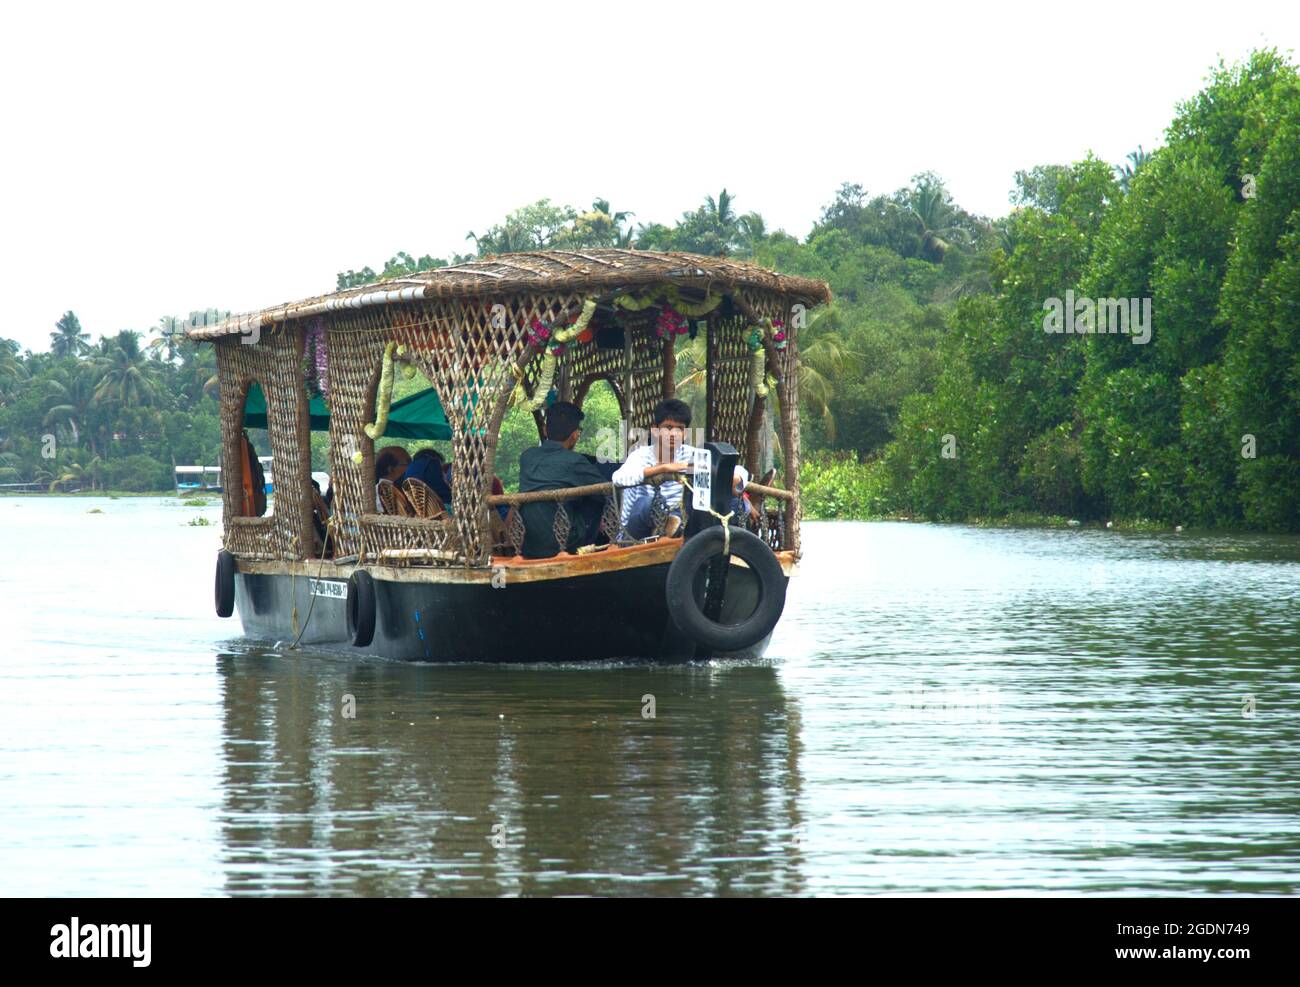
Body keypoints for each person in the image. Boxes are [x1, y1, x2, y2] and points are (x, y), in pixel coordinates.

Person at [612, 398, 749, 540]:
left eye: (680, 429)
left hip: (683, 523)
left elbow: (741, 472)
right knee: (646, 503)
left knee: (739, 504)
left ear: (685, 434)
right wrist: (664, 468)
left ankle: (727, 540)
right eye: (668, 427)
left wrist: (732, 477)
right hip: (636, 533)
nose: (673, 434)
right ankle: (667, 526)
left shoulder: (691, 454)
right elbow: (618, 478)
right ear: (655, 430)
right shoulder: (640, 455)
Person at [517, 401, 615, 558]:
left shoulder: (527, 457)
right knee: (598, 496)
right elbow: (608, 492)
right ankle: (595, 546)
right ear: (575, 434)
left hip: (529, 544)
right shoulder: (576, 462)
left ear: (544, 430)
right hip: (563, 542)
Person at [373, 446, 411, 511]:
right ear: (390, 469)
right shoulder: (385, 492)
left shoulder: (377, 489)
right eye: (408, 463)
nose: (410, 467)